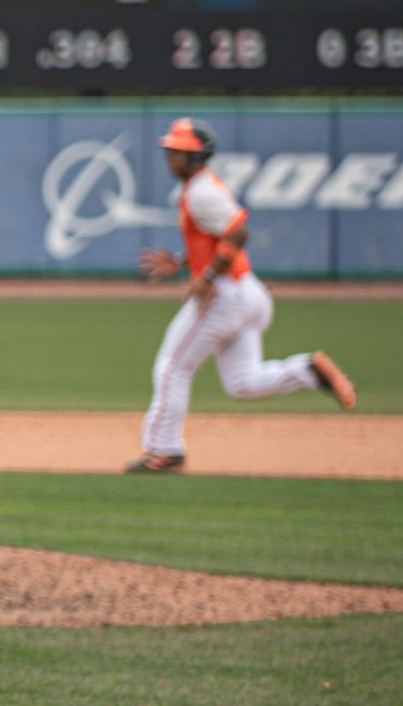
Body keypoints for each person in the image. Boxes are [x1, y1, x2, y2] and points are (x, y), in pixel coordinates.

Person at [127, 117, 355, 474]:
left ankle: (164, 450)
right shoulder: (198, 188)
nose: (170, 157)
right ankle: (308, 370)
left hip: (225, 294)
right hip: (248, 292)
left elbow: (238, 234)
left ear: (196, 156)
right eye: (170, 151)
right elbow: (218, 238)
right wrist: (184, 262)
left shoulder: (201, 191)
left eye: (178, 152)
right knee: (243, 383)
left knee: (172, 367)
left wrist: (207, 277)